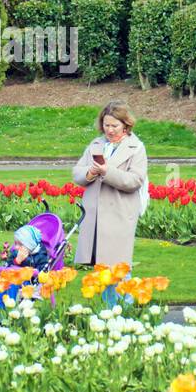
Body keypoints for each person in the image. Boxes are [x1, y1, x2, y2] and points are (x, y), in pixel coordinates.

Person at [71, 100, 148, 268]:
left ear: (126, 125)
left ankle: (125, 295)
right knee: (99, 269)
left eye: (115, 126)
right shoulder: (96, 144)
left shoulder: (136, 148)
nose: (110, 130)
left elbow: (135, 180)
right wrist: (90, 172)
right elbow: (77, 172)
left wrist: (107, 172)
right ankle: (107, 295)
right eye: (106, 125)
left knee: (118, 267)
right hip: (94, 215)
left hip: (119, 214)